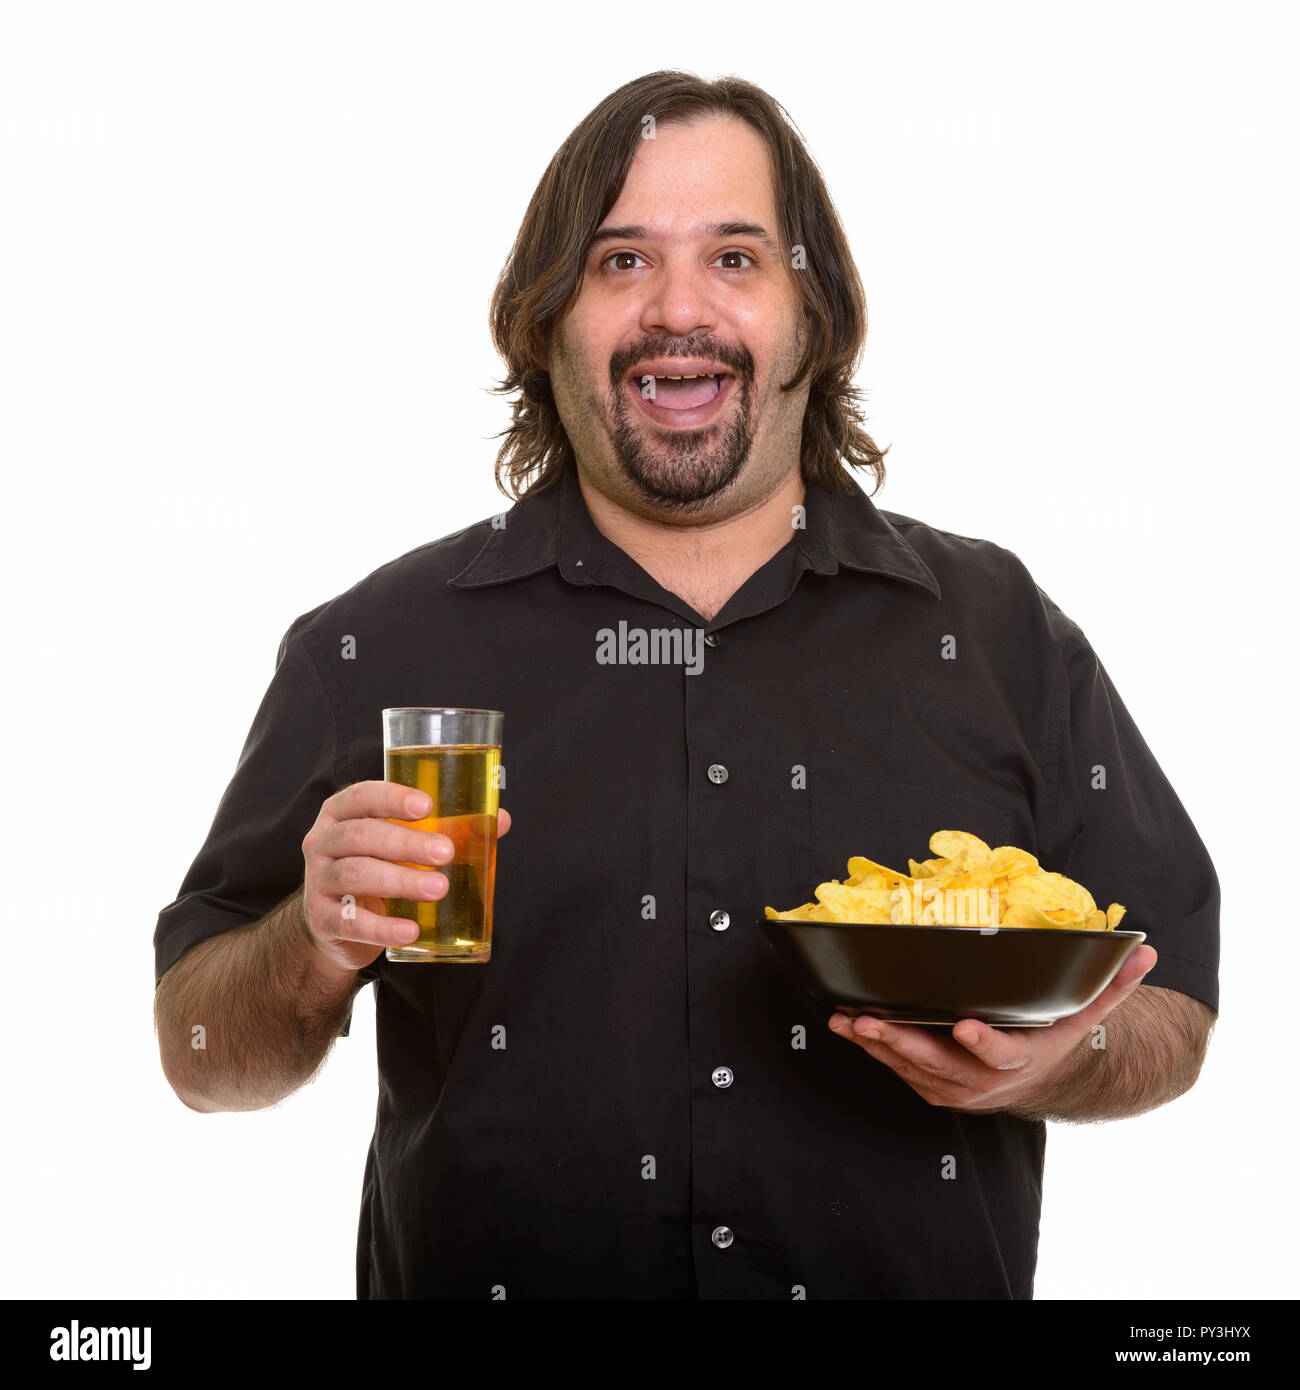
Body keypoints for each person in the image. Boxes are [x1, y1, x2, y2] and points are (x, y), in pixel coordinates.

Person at [153, 70, 1219, 1300]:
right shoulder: (380, 644)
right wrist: (311, 942)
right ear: (542, 318)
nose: (676, 310)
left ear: (812, 315)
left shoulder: (995, 631)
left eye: (735, 258)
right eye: (618, 262)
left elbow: (1171, 1007)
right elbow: (198, 1054)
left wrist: (1054, 1065)